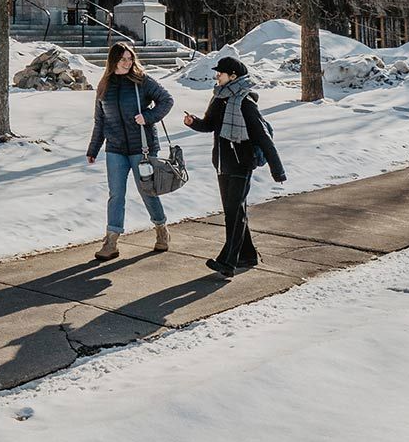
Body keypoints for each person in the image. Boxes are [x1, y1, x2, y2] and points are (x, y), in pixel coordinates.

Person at [182, 56, 285, 275]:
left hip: (241, 162)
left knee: (234, 213)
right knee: (234, 211)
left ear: (233, 76)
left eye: (220, 73)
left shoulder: (245, 101)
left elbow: (263, 136)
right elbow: (209, 125)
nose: (216, 75)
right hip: (222, 162)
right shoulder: (219, 98)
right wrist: (194, 123)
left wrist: (278, 169)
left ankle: (228, 261)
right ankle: (247, 255)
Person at [86, 42, 174, 260]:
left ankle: (161, 230)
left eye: (130, 58)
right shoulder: (104, 85)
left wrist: (148, 117)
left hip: (142, 148)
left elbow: (167, 100)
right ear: (113, 60)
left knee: (147, 191)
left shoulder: (141, 81)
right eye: (123, 59)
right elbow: (100, 121)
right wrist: (93, 149)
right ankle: (111, 241)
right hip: (115, 149)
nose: (127, 63)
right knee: (116, 195)